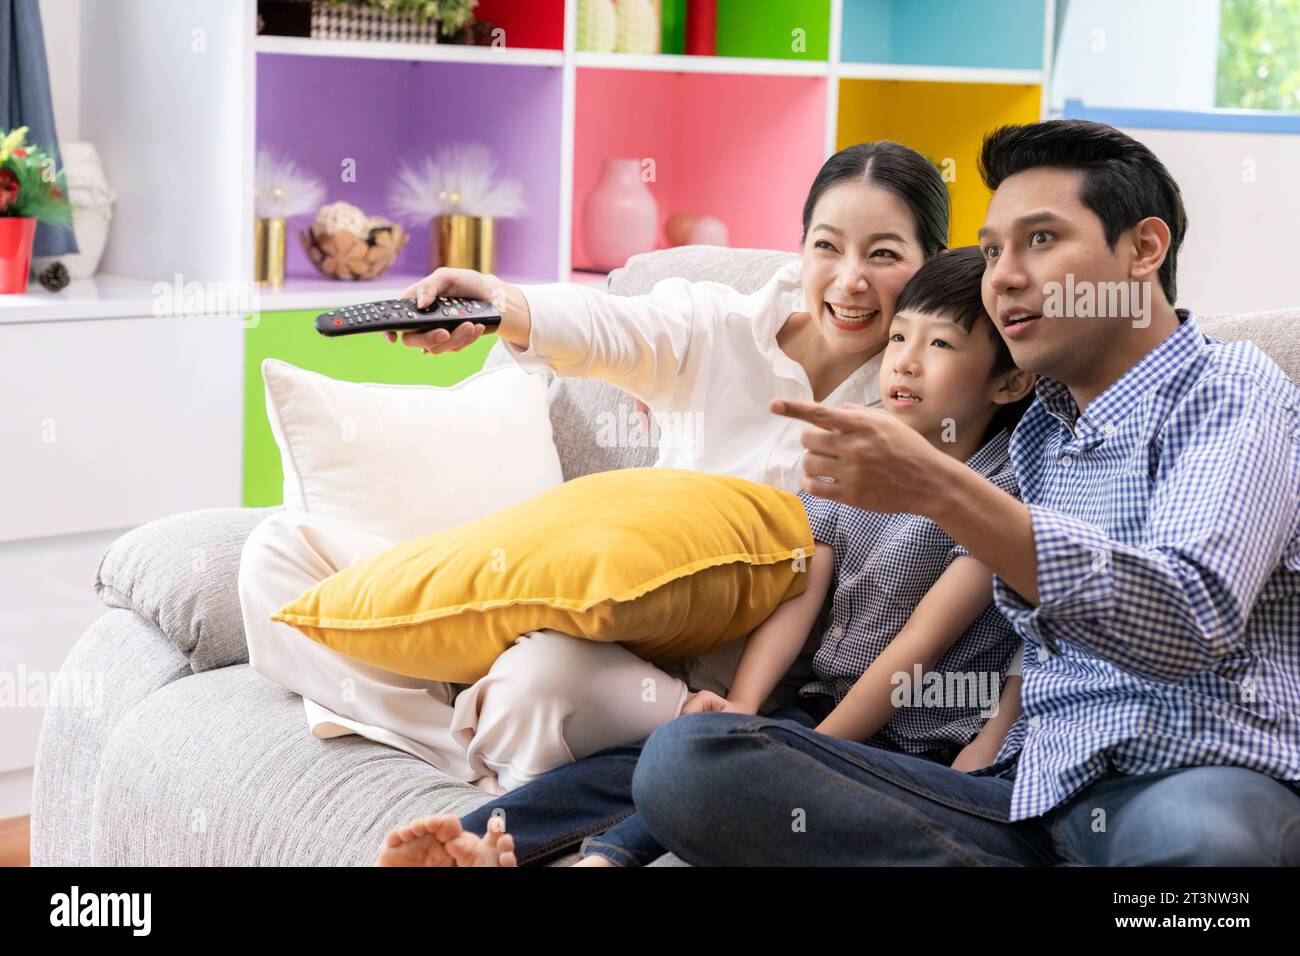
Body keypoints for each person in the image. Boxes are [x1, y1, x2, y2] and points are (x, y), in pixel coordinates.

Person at [621, 119, 1300, 866]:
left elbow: (1189, 613)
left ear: (1143, 249)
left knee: (1204, 846)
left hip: (1192, 775)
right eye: (991, 251)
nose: (1003, 276)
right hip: (1023, 801)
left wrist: (942, 491)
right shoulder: (1038, 430)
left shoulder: (1229, 389)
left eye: (1040, 241)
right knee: (692, 764)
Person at [239, 141, 950, 792]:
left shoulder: (922, 410)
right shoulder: (719, 327)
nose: (851, 280)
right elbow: (611, 327)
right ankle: (452, 748)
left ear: (932, 265)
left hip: (673, 678)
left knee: (536, 682)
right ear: (800, 251)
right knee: (276, 556)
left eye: (884, 255)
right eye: (828, 247)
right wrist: (501, 307)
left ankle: (475, 715)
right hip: (563, 593)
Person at [375, 246, 1038, 866]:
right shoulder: (858, 443)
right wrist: (747, 707)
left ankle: (607, 856)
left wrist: (804, 750)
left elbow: (916, 651)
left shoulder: (997, 489)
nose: (907, 361)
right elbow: (803, 582)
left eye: (941, 344)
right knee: (665, 752)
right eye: (900, 337)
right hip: (817, 707)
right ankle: (477, 841)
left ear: (1008, 384)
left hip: (913, 740)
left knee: (716, 770)